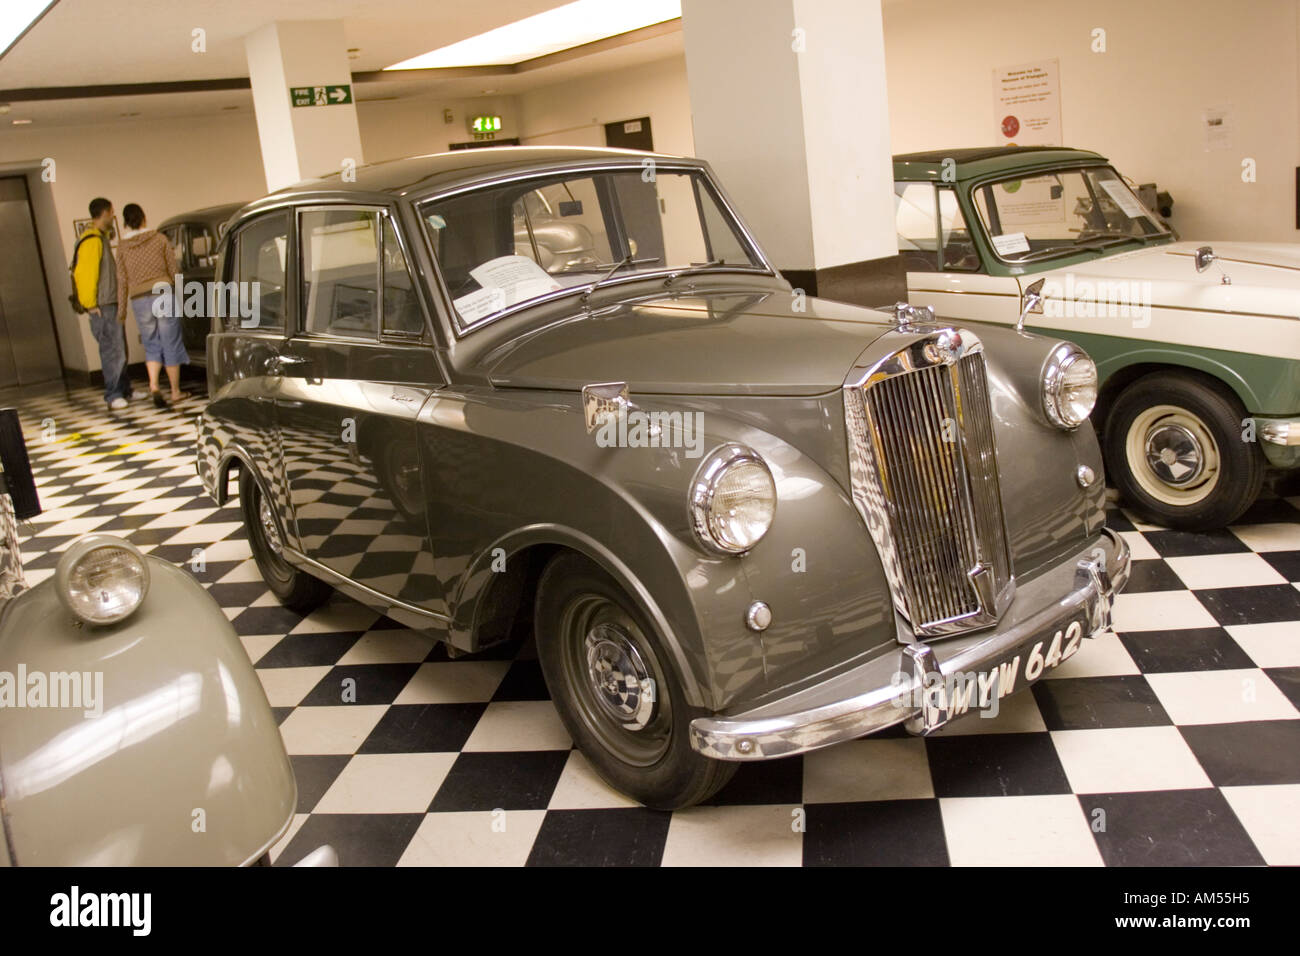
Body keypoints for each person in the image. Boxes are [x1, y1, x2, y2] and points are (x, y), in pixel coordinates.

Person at [116, 203, 187, 407]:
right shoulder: (159, 239)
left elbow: (121, 280)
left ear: (125, 222)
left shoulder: (122, 247)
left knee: (151, 343)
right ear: (144, 218)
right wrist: (185, 298)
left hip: (139, 300)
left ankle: (154, 385)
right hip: (163, 293)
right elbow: (174, 270)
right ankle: (175, 392)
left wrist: (121, 312)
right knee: (170, 341)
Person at [72, 197, 133, 410]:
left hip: (110, 303)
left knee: (119, 349)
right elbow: (85, 275)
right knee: (112, 350)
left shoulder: (101, 238)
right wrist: (90, 304)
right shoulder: (92, 241)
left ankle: (125, 390)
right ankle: (113, 394)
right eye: (112, 212)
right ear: (105, 213)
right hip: (102, 305)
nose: (113, 216)